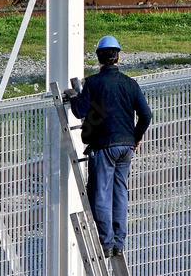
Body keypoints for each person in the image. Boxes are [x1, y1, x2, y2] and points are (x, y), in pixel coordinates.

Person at [68, 35, 152, 258]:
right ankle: (119, 242)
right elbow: (146, 114)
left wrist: (74, 97)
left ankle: (106, 243)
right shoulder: (130, 83)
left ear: (98, 59)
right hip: (126, 146)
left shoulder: (94, 83)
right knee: (120, 192)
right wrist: (135, 137)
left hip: (104, 146)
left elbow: (79, 112)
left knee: (102, 193)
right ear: (119, 57)